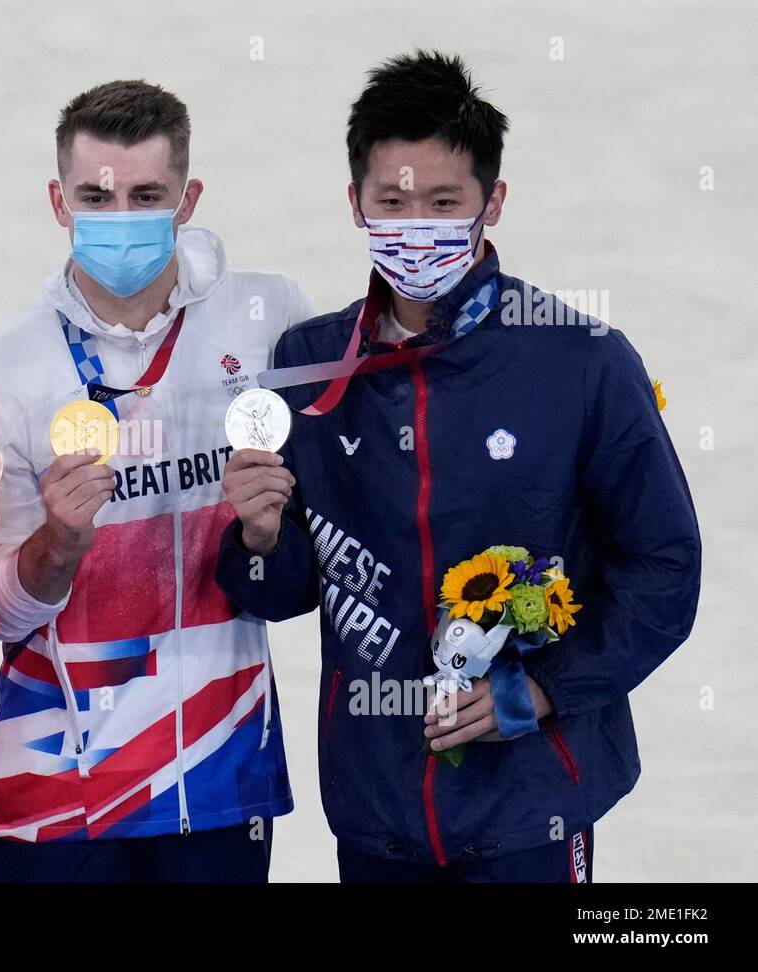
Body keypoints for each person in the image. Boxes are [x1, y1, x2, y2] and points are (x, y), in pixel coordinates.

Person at [215, 51, 702, 883]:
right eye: (392, 202)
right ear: (356, 205)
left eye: (443, 203)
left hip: (533, 806)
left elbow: (665, 568)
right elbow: (281, 591)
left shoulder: (582, 361)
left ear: (492, 202)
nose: (415, 225)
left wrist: (542, 690)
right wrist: (260, 537)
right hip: (377, 809)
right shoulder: (309, 365)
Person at [0, 80, 313, 883]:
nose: (120, 217)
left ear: (188, 199)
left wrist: (265, 534)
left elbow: (304, 556)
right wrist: (59, 543)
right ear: (58, 200)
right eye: (95, 196)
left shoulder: (269, 316)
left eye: (147, 195)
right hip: (55, 796)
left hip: (220, 778)